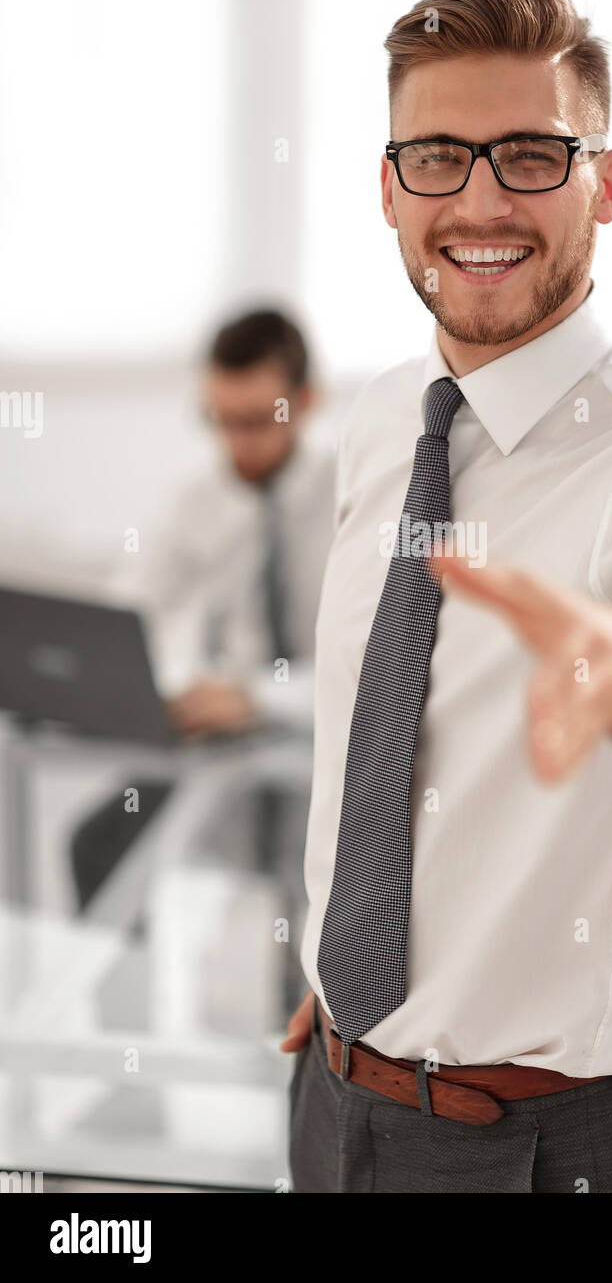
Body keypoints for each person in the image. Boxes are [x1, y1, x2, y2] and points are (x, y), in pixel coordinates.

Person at [280, 0, 612, 1194]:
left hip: (544, 1147)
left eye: (527, 155)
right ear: (385, 184)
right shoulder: (378, 426)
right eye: (435, 158)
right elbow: (367, 737)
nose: (476, 201)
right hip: (332, 1093)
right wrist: (333, 974)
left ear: (602, 184)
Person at [72, 310, 335, 1009]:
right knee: (101, 842)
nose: (235, 443)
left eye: (254, 420)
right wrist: (157, 684)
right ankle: (125, 1081)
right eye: (219, 420)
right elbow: (131, 605)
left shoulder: (358, 496)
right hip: (230, 740)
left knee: (312, 906)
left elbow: (376, 662)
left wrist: (257, 698)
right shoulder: (204, 499)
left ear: (307, 403)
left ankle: (310, 1091)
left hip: (328, 740)